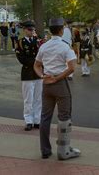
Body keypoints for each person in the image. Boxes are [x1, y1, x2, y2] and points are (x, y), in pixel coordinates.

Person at [33, 17, 80, 160]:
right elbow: (72, 67)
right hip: (60, 84)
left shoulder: (44, 46)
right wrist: (58, 77)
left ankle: (45, 150)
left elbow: (36, 64)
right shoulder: (65, 46)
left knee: (45, 117)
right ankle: (63, 150)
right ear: (61, 30)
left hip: (46, 84)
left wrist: (42, 76)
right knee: (64, 116)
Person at [15, 20, 42, 131]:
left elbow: (43, 55)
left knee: (38, 98)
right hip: (27, 73)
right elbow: (22, 59)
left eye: (33, 30)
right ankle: (28, 121)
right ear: (24, 30)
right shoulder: (20, 43)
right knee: (28, 99)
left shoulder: (38, 42)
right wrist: (36, 62)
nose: (32, 31)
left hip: (38, 73)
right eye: (29, 29)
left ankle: (37, 120)